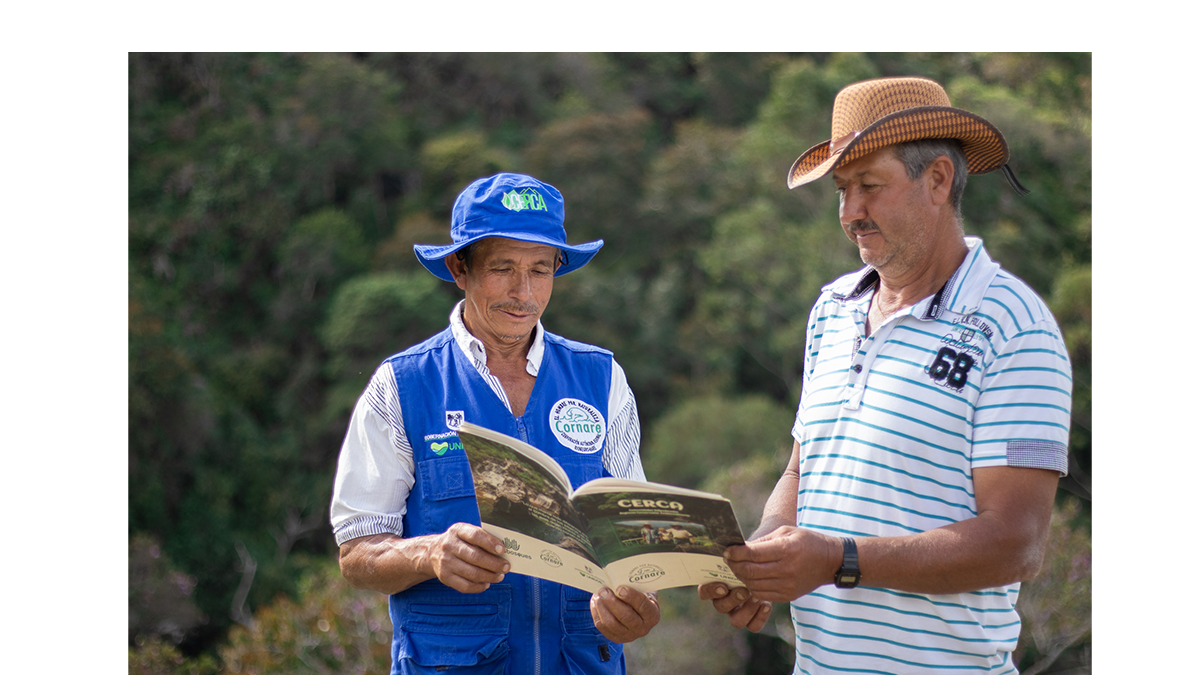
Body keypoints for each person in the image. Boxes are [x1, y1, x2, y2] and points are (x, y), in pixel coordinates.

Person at [699, 77, 1072, 674]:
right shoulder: (833, 309)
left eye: (870, 187)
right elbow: (805, 465)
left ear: (939, 180)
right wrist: (766, 556)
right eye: (843, 191)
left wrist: (837, 559)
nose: (850, 213)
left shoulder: (1014, 327)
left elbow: (1015, 544)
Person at [330, 173, 660, 674]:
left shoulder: (602, 378)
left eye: (540, 271)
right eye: (502, 268)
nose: (523, 292)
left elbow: (633, 543)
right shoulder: (402, 385)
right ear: (460, 268)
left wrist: (639, 604)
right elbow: (357, 554)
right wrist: (430, 554)